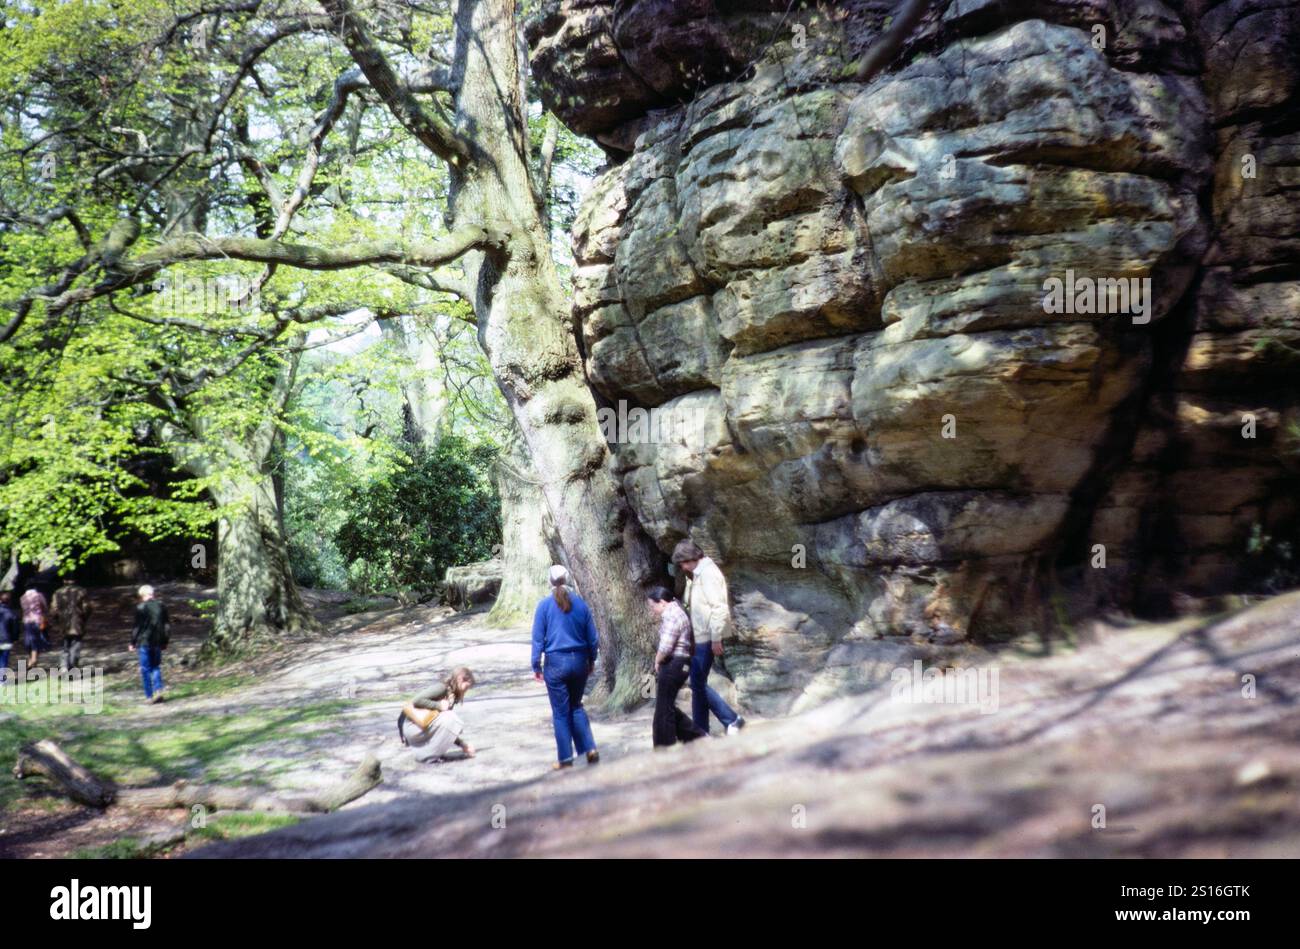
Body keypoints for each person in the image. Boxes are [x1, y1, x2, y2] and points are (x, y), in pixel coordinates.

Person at [672, 540, 745, 736]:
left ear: (691, 558)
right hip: (702, 637)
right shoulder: (699, 574)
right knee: (697, 684)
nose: (682, 567)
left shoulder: (708, 574)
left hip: (707, 638)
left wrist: (716, 638)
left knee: (697, 683)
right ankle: (700, 730)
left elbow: (719, 609)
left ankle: (732, 719)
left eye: (683, 562)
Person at [531, 565, 600, 769]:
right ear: (567, 579)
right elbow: (593, 638)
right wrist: (591, 660)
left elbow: (537, 639)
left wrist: (536, 664)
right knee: (576, 705)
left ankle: (565, 759)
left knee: (561, 712)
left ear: (550, 582)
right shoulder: (581, 604)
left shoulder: (543, 606)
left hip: (556, 663)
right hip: (579, 661)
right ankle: (590, 748)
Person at [647, 587, 706, 748]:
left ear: (663, 603)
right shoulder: (678, 611)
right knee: (666, 705)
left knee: (663, 710)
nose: (653, 611)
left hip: (674, 664)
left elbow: (666, 646)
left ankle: (664, 746)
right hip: (681, 663)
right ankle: (696, 736)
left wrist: (657, 661)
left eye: (653, 606)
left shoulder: (671, 616)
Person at [397, 667, 478, 760]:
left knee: (449, 720)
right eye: (466, 687)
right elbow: (416, 700)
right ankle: (427, 756)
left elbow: (447, 729)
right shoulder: (442, 688)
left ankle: (432, 753)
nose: (466, 690)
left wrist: (462, 744)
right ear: (460, 679)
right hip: (410, 726)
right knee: (450, 718)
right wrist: (438, 705)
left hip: (420, 726)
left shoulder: (451, 696)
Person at [129, 585, 169, 703]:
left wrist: (132, 642)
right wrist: (165, 641)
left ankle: (149, 696)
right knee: (156, 667)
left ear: (142, 595)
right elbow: (167, 625)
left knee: (145, 669)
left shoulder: (140, 607)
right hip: (157, 641)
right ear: (153, 594)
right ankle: (158, 691)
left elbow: (137, 627)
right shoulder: (161, 606)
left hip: (144, 642)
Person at [51, 575, 92, 671]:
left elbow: (54, 609)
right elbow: (86, 607)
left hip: (63, 623)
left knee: (65, 644)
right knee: (76, 644)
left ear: (64, 580)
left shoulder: (57, 592)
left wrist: (56, 619)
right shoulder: (81, 591)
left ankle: (64, 666)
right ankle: (73, 665)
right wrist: (84, 618)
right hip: (77, 622)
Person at [19, 586, 49, 667]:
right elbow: (45, 606)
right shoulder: (39, 595)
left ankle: (31, 660)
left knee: (29, 641)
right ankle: (33, 660)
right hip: (38, 620)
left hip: (27, 621)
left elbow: (22, 609)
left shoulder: (22, 597)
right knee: (37, 640)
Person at [0, 591, 18, 682]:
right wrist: (14, 639)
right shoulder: (11, 614)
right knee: (4, 661)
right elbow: (15, 629)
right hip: (6, 640)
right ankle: (2, 681)